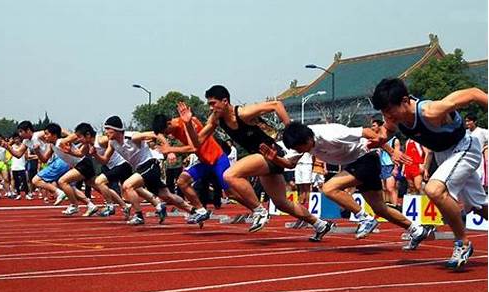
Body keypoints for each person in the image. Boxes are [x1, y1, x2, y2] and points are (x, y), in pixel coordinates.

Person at [185, 85, 333, 240]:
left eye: (213, 103)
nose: (211, 108)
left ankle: (259, 211)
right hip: (261, 158)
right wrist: (188, 124)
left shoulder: (243, 113)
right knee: (282, 204)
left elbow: (276, 105)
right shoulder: (216, 119)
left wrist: (290, 129)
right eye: (209, 104)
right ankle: (320, 224)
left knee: (229, 175)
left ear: (225, 101)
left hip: (271, 153)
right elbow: (197, 142)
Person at [371, 78, 488, 270]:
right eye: (383, 111)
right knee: (478, 206)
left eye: (389, 110)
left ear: (405, 100)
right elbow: (386, 131)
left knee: (434, 189)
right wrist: (390, 149)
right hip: (444, 155)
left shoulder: (431, 111)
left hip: (464, 147)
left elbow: (473, 93)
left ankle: (463, 243)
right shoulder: (394, 117)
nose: (387, 116)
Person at [268, 121, 433, 248]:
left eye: (300, 148)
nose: (300, 151)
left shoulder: (331, 134)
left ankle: (364, 219)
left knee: (329, 188)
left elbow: (367, 132)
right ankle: (417, 230)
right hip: (356, 163)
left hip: (366, 158)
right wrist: (274, 158)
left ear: (308, 139)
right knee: (380, 208)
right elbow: (289, 164)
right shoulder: (303, 143)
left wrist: (392, 152)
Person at [92, 116, 194, 225]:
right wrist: (95, 154)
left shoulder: (132, 137)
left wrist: (169, 151)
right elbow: (104, 160)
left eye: (108, 129)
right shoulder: (112, 143)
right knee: (167, 196)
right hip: (141, 169)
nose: (106, 132)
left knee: (127, 186)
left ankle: (139, 215)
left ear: (116, 130)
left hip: (150, 165)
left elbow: (156, 134)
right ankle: (194, 210)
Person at [39, 123, 99, 216]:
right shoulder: (53, 145)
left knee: (62, 181)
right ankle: (92, 205)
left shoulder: (61, 142)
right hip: (80, 165)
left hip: (83, 164)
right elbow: (44, 159)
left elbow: (73, 136)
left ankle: (74, 205)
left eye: (47, 134)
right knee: (97, 186)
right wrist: (36, 150)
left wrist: (67, 135)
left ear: (54, 135)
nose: (45, 136)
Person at [4, 121, 69, 204]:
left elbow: (60, 130)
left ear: (28, 130)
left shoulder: (38, 135)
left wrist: (71, 137)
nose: (19, 134)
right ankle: (85, 204)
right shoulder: (26, 142)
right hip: (49, 162)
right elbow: (18, 154)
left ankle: (60, 193)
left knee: (36, 180)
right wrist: (8, 147)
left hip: (57, 160)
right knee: (66, 184)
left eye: (21, 131)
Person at [371, 119, 400, 206]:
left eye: (374, 126)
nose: (372, 128)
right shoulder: (376, 139)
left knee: (390, 188)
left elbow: (397, 155)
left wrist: (395, 168)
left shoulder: (395, 140)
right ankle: (386, 206)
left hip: (389, 165)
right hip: (380, 165)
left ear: (380, 127)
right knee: (383, 188)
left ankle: (395, 206)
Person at [465, 113, 488, 189]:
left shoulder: (482, 131)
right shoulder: (465, 133)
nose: (467, 123)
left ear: (474, 121)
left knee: (479, 177)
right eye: (466, 121)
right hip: (466, 158)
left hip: (478, 158)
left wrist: (486, 147)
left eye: (469, 121)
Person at [9, 134, 31, 200]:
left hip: (22, 166)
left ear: (20, 139)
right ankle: (18, 194)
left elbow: (27, 157)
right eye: (15, 139)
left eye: (18, 138)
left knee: (25, 181)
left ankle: (27, 194)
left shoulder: (23, 146)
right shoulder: (11, 147)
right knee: (16, 181)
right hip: (14, 166)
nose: (16, 140)